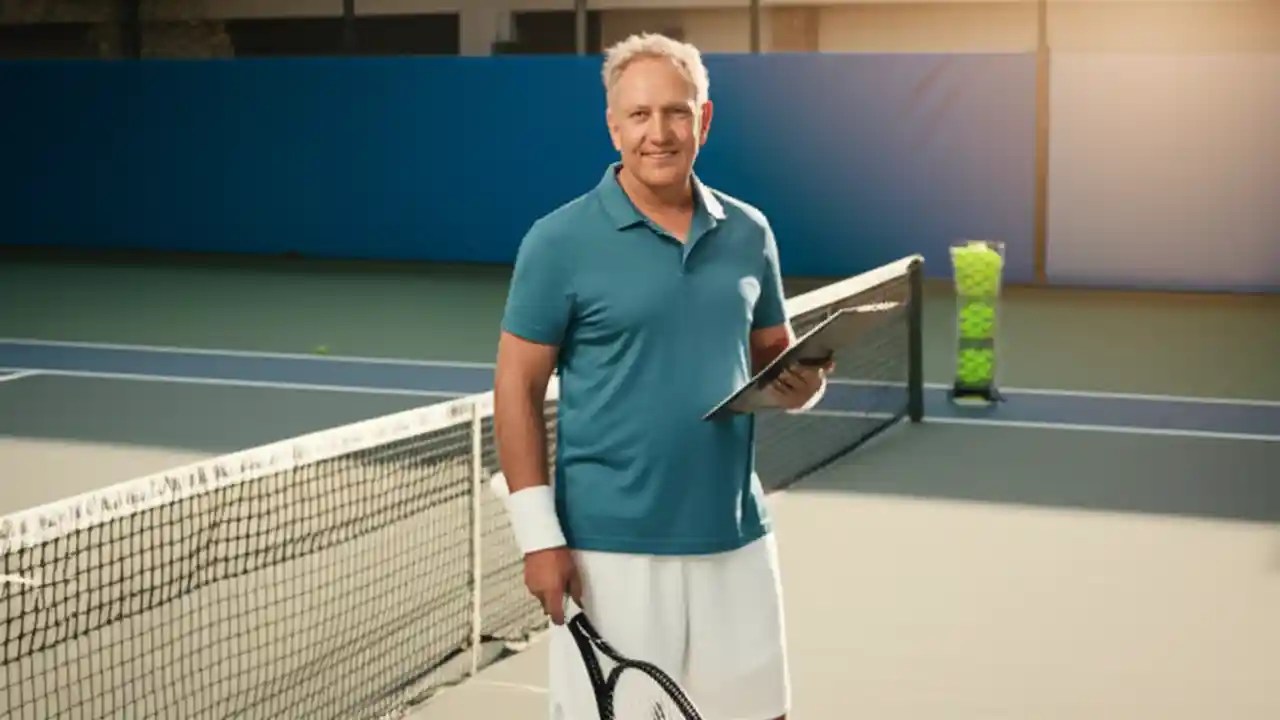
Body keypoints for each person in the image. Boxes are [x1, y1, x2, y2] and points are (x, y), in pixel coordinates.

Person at [493, 32, 830, 720]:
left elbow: (776, 354)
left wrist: (802, 385)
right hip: (608, 553)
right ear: (614, 126)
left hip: (736, 538)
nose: (659, 132)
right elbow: (516, 389)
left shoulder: (749, 232)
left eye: (676, 112)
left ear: (703, 120)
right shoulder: (556, 242)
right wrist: (539, 538)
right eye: (640, 116)